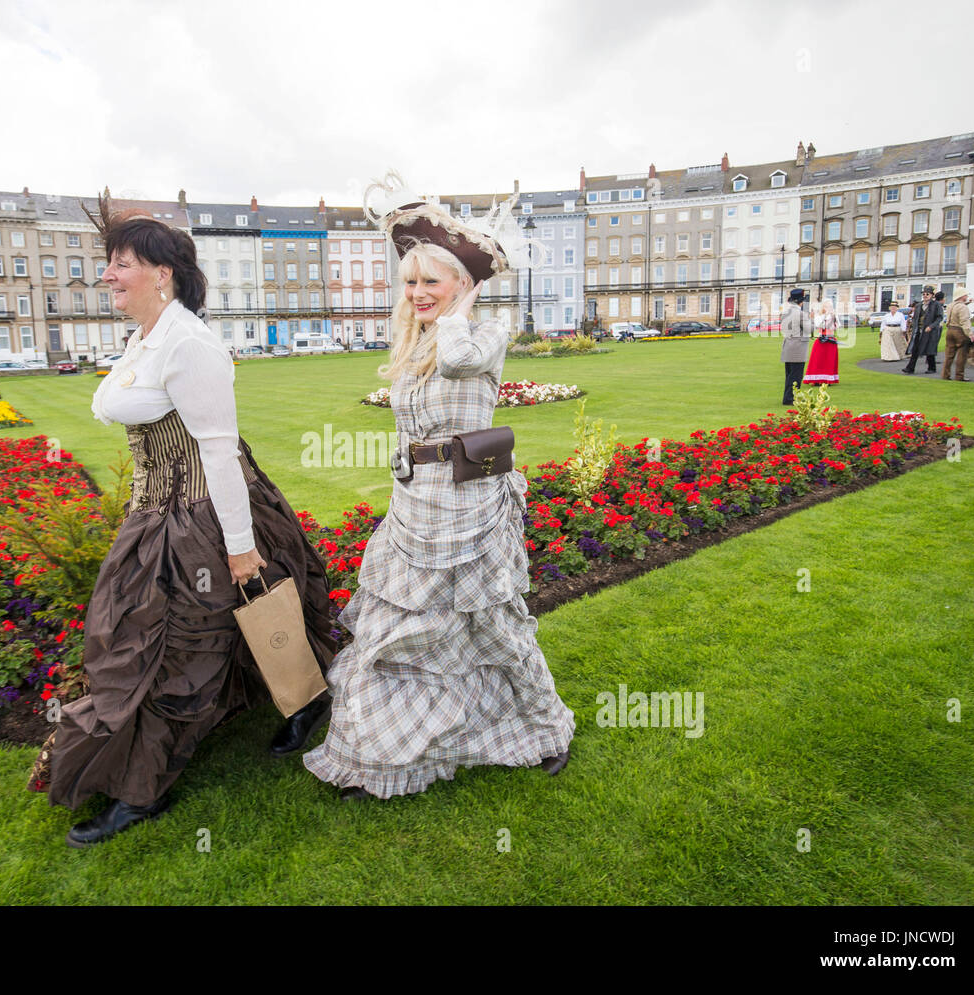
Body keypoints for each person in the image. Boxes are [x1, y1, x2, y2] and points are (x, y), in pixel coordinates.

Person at [31, 196, 336, 847]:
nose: (107, 275)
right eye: (108, 263)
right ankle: (303, 697)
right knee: (147, 638)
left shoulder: (191, 344)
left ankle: (143, 789)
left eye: (121, 263)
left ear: (161, 271)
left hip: (198, 513)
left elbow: (220, 452)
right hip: (152, 512)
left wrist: (239, 549)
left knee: (172, 653)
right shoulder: (145, 338)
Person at [303, 175, 575, 801]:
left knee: (496, 628)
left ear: (462, 285)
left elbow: (459, 364)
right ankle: (379, 758)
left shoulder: (485, 333)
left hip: (473, 505)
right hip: (415, 505)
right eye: (410, 281)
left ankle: (543, 729)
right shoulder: (415, 341)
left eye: (432, 280)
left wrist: (458, 312)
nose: (418, 292)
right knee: (399, 634)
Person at [780, 288, 813, 404]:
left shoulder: (785, 313)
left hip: (788, 345)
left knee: (789, 375)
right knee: (796, 376)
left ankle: (788, 397)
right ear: (800, 301)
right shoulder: (801, 314)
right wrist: (811, 319)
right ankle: (790, 398)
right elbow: (809, 329)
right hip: (798, 347)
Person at [903, 286, 940, 374]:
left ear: (932, 295)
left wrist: (931, 326)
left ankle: (932, 367)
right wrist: (913, 328)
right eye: (924, 294)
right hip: (919, 330)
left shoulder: (936, 305)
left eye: (927, 294)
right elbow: (916, 318)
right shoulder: (919, 305)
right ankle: (910, 368)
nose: (925, 295)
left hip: (930, 331)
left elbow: (939, 318)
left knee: (929, 349)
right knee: (915, 349)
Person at [942, 286, 974, 381]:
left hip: (950, 331)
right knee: (962, 354)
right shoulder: (963, 308)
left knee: (949, 355)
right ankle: (959, 376)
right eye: (965, 295)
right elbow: (964, 322)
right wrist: (970, 334)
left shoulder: (950, 306)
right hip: (959, 332)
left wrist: (968, 303)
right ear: (962, 296)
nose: (966, 296)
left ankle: (945, 374)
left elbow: (958, 307)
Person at [803, 299, 839, 385]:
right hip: (821, 340)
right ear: (823, 307)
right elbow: (818, 325)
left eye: (830, 306)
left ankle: (828, 380)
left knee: (829, 361)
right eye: (827, 306)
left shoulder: (834, 316)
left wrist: (832, 318)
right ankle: (816, 380)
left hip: (830, 340)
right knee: (817, 360)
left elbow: (836, 327)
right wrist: (825, 316)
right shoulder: (819, 316)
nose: (829, 308)